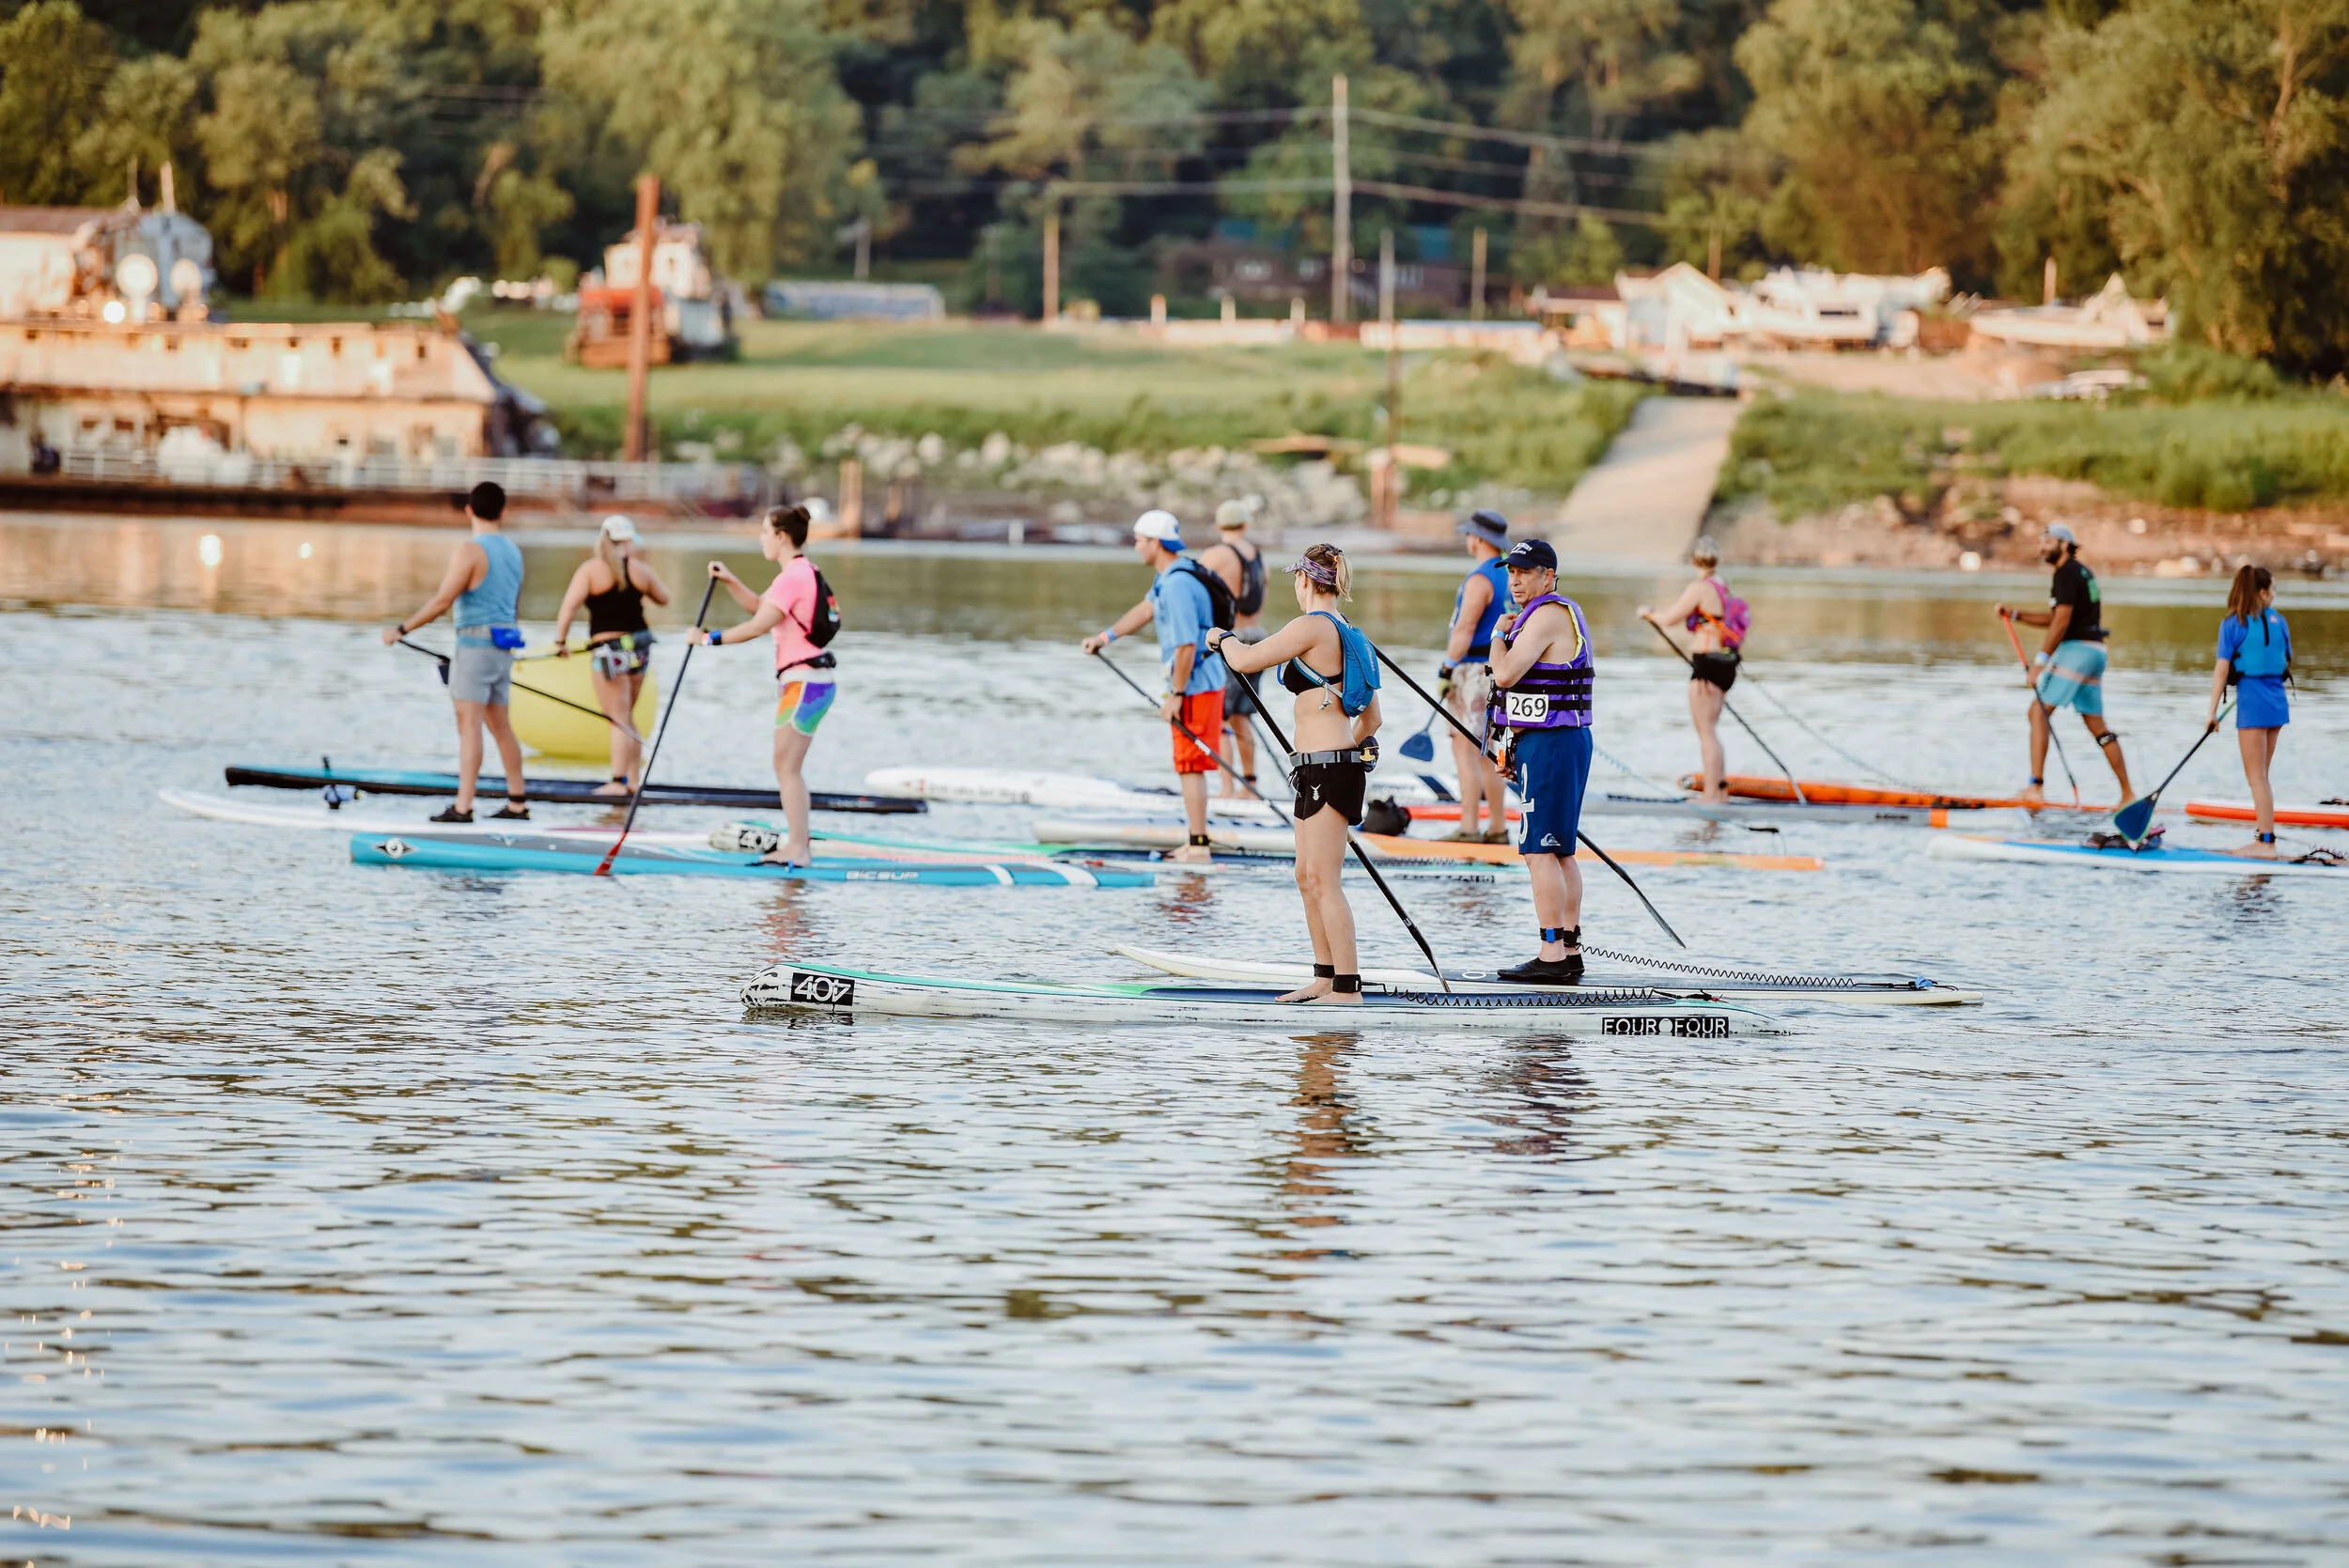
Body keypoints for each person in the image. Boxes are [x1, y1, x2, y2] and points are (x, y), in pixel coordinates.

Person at [1208, 543, 1383, 1004]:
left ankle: (1347, 988)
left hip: (1329, 767)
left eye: (1295, 578)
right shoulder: (1351, 633)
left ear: (1306, 581)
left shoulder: (1311, 626)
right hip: (1318, 768)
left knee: (1324, 880)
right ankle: (1325, 979)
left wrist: (1221, 637)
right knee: (1305, 876)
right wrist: (1358, 744)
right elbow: (1372, 719)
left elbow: (1244, 660)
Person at [1082, 510, 1229, 863]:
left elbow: (1184, 647)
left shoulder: (1178, 584)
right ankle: (1196, 841)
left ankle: (1197, 847)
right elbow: (1146, 610)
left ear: (1156, 543)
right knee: (1187, 765)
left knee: (1190, 766)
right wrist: (1106, 637)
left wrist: (1176, 696)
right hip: (1194, 683)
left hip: (1194, 686)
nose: (1136, 547)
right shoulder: (1171, 576)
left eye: (1139, 540)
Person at [695, 505, 835, 868]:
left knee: (786, 768)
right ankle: (798, 844)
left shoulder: (793, 577)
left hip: (804, 683)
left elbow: (757, 628)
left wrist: (709, 639)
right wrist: (730, 581)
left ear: (781, 536)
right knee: (787, 766)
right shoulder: (802, 572)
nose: (761, 539)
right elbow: (762, 611)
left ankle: (798, 850)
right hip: (809, 682)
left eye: (764, 532)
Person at [381, 481, 529, 822]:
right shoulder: (513, 551)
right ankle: (517, 803)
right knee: (501, 726)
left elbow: (443, 601)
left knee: (469, 725)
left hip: (474, 649)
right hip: (503, 647)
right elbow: (513, 606)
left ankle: (464, 807)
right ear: (503, 512)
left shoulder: (470, 550)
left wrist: (401, 630)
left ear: (469, 511)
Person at [1487, 539, 1594, 984]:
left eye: (1525, 572)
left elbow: (1505, 674)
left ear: (1548, 576)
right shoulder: (1552, 614)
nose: (1515, 580)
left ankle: (1551, 955)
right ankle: (1568, 949)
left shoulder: (1547, 614)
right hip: (1554, 743)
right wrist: (1509, 747)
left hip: (1553, 746)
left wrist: (1496, 636)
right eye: (1511, 571)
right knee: (1560, 851)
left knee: (1539, 851)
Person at [1997, 522, 2133, 803]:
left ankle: (2035, 788)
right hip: (2095, 652)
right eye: (2040, 542)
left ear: (2065, 544)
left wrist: (2040, 662)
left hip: (2077, 652)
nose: (2042, 547)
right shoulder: (2081, 572)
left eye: (2047, 541)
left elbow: (2062, 621)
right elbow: (2059, 616)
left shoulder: (2066, 572)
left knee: (2038, 712)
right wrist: (2017, 615)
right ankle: (2128, 795)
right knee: (2098, 727)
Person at [552, 515, 673, 797]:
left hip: (609, 650)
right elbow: (664, 598)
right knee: (627, 715)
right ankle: (633, 779)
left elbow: (568, 608)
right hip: (640, 647)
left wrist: (561, 642)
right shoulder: (640, 570)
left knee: (618, 718)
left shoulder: (591, 571)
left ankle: (617, 783)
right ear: (628, 542)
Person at [1638, 536, 1741, 803]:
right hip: (1724, 663)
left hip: (1707, 662)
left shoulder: (1700, 586)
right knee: (1711, 730)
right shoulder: (1721, 585)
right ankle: (1719, 793)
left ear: (1694, 560)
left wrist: (1649, 614)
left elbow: (1671, 618)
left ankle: (1712, 797)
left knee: (1706, 732)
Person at [1439, 509, 1517, 840]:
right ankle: (1497, 828)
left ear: (1479, 539)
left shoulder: (1480, 578)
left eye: (1470, 534)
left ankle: (1469, 827)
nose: (1468, 540)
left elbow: (1464, 629)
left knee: (1464, 748)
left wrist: (1446, 667)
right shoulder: (1512, 576)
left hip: (1471, 669)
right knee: (1490, 751)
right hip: (1500, 669)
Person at [2207, 564, 2291, 853]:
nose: (2275, 595)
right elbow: (2284, 661)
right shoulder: (2280, 621)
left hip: (2254, 705)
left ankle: (2265, 843)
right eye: (2273, 589)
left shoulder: (2232, 624)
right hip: (2277, 704)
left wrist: (2211, 712)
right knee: (2262, 779)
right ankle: (2264, 836)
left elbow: (2221, 671)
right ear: (2263, 593)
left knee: (2257, 779)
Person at [1197, 498, 1268, 797]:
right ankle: (1249, 784)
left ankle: (1226, 788)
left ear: (1218, 525)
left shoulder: (1216, 554)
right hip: (1258, 637)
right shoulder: (1256, 555)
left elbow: (1192, 588)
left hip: (1231, 640)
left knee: (1221, 715)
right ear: (1245, 524)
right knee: (1242, 716)